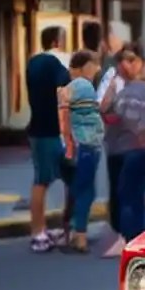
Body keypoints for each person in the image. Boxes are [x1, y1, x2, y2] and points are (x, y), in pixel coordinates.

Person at [99, 43, 145, 257]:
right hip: (117, 146)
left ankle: (131, 239)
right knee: (120, 195)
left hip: (144, 148)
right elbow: (103, 108)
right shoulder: (116, 82)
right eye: (122, 60)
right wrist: (112, 89)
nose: (125, 65)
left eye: (131, 60)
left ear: (142, 62)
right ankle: (136, 236)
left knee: (130, 192)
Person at [26, 26, 72, 253]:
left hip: (37, 128)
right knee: (47, 180)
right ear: (57, 41)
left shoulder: (33, 62)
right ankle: (40, 232)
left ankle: (42, 228)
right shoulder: (57, 63)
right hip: (52, 131)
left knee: (44, 179)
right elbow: (66, 90)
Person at [58, 50, 104, 253]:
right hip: (85, 145)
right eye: (94, 65)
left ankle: (71, 230)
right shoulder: (83, 85)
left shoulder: (73, 87)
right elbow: (89, 117)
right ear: (84, 67)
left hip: (74, 146)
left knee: (78, 189)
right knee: (85, 191)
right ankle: (80, 236)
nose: (98, 69)